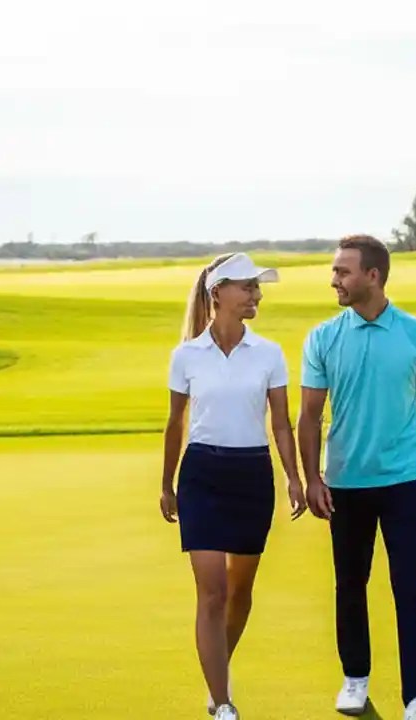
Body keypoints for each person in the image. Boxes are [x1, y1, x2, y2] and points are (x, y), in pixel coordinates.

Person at [297, 235, 416, 720]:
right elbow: (307, 416)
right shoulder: (323, 337)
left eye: (343, 271)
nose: (334, 280)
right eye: (334, 271)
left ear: (373, 275)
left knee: (412, 587)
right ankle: (355, 680)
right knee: (351, 583)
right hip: (345, 481)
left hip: (406, 479)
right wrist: (312, 478)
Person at [161, 252, 309, 720]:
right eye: (246, 287)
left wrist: (294, 479)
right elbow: (175, 424)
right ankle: (222, 700)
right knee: (212, 593)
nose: (255, 295)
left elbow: (281, 425)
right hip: (202, 474)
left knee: (240, 592)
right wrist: (167, 485)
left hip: (251, 474)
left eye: (257, 288)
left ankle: (216, 675)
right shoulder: (186, 355)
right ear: (217, 293)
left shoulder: (269, 353)